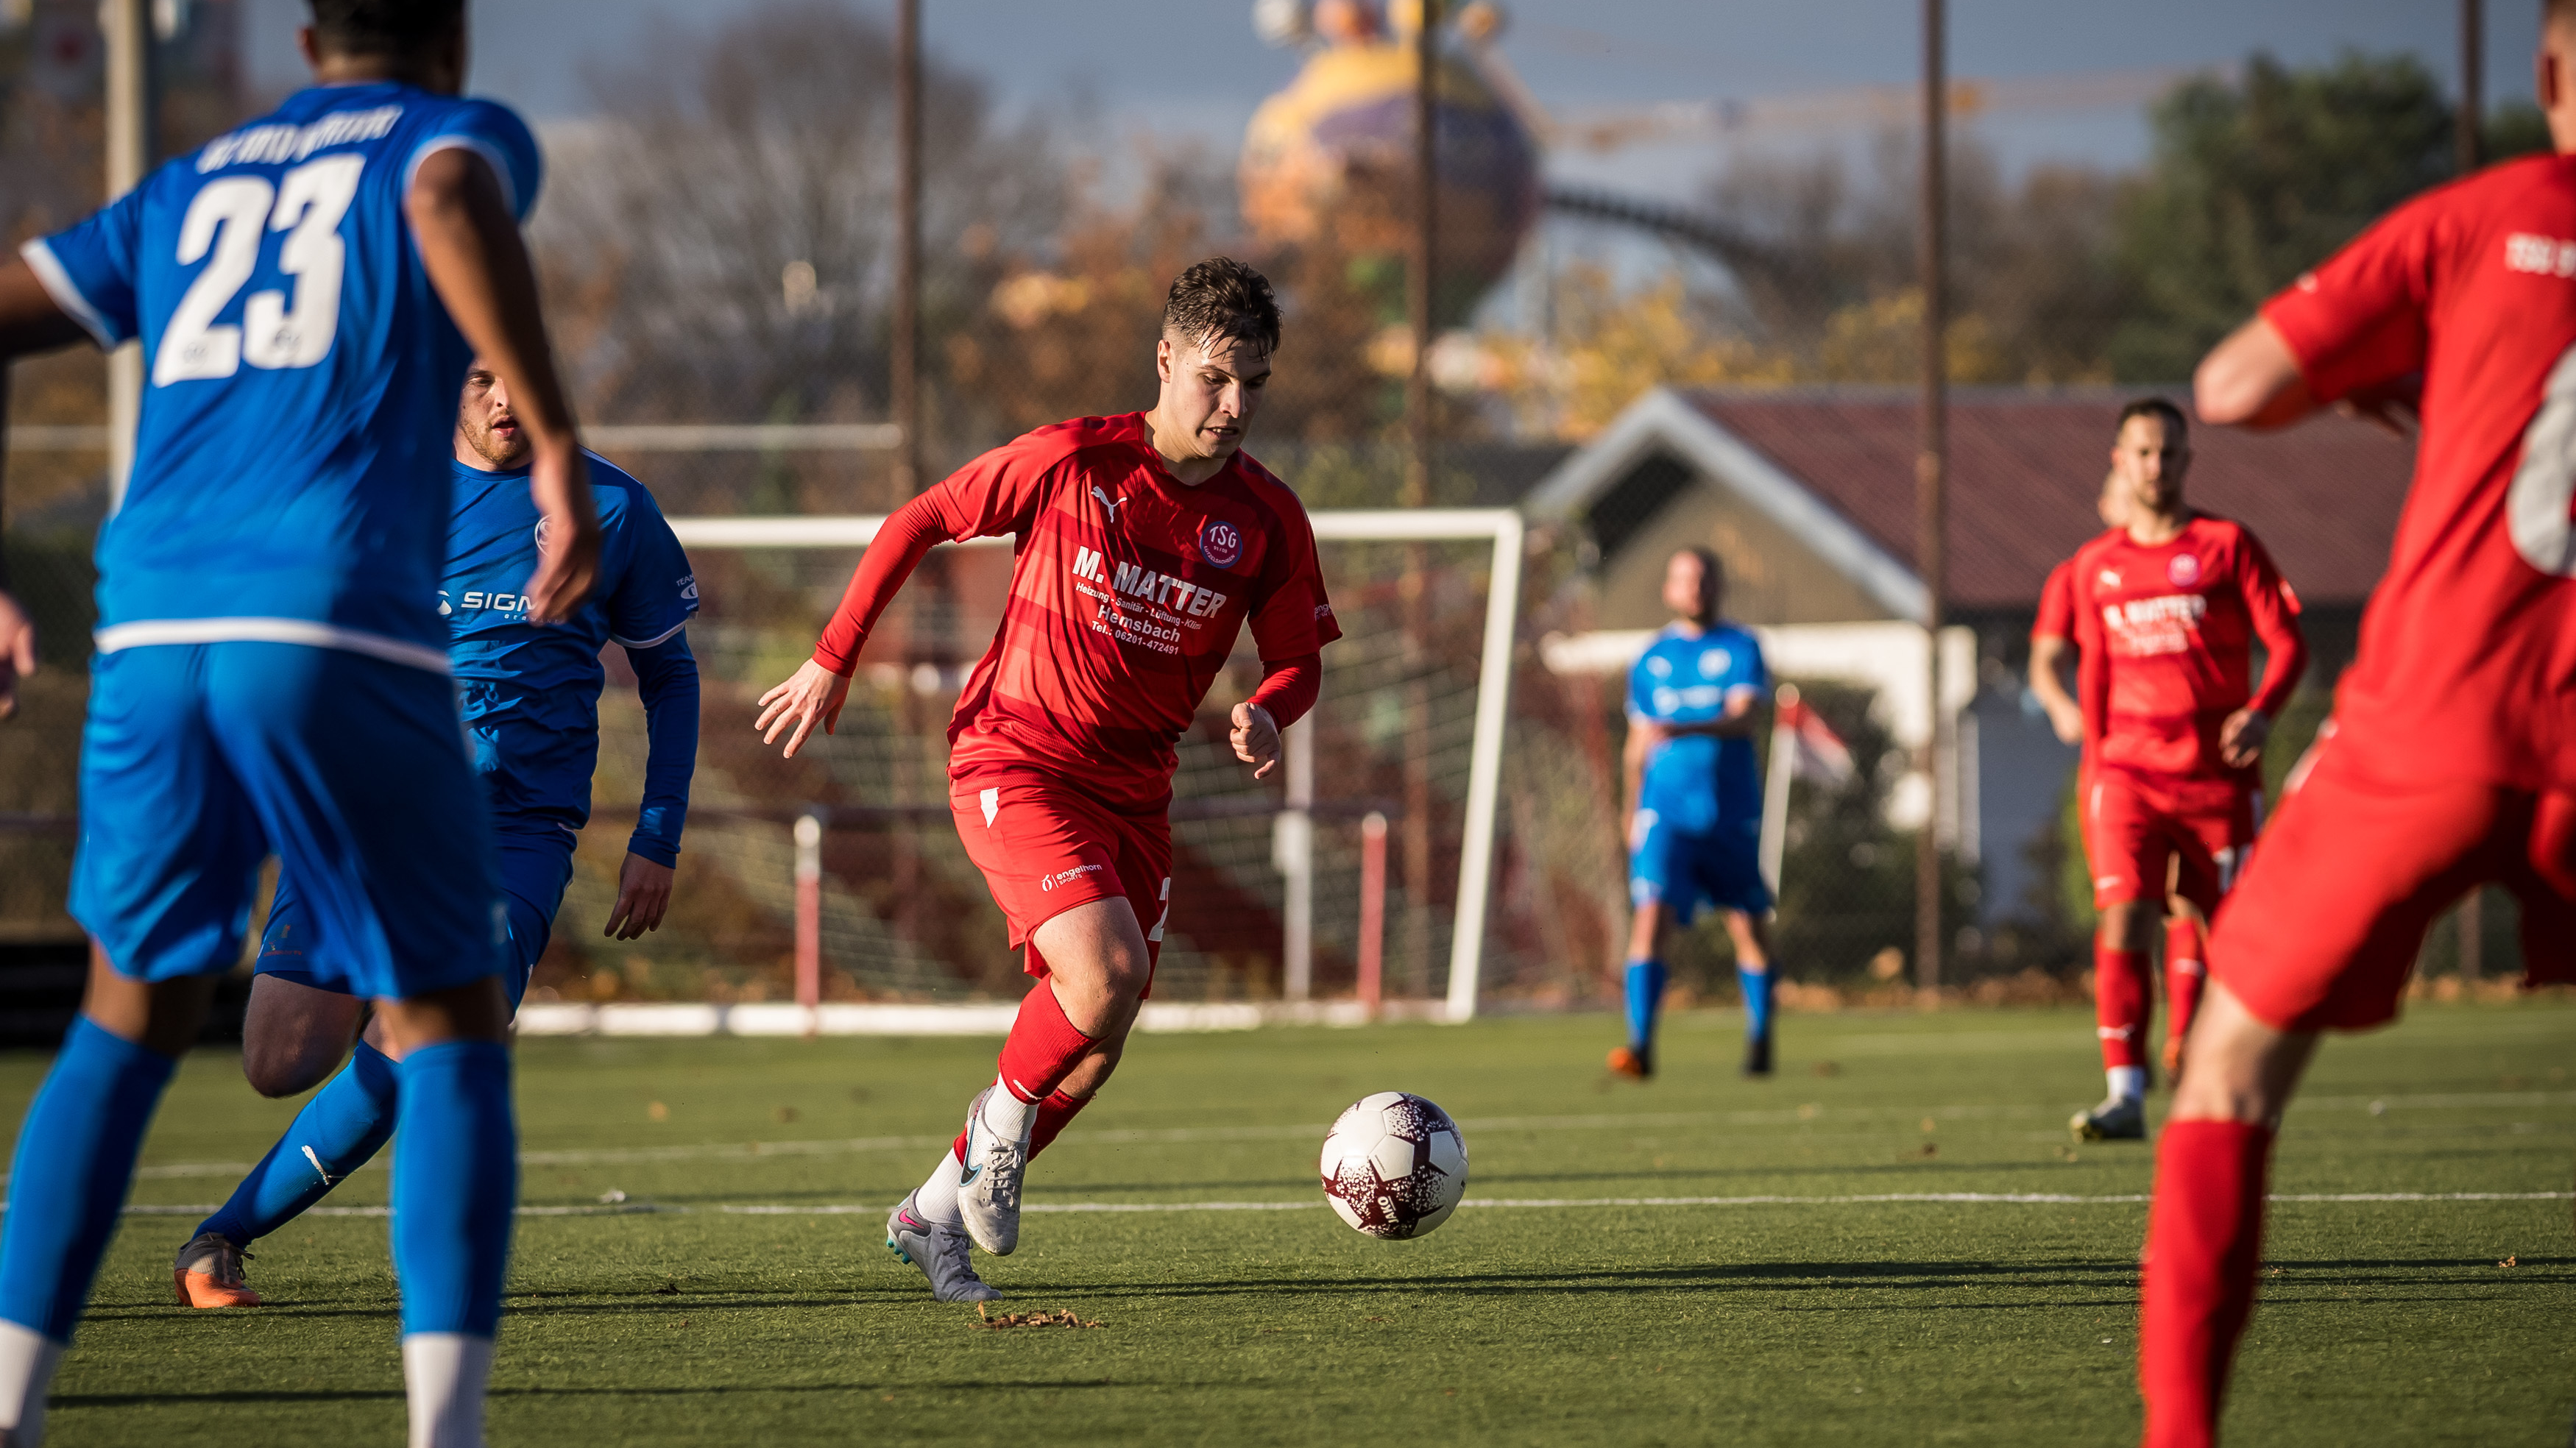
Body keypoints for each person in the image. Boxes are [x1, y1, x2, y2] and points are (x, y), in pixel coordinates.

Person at [0, 1, 594, 1441]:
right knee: (449, 1025)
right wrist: (560, 437)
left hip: (147, 631)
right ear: (449, 35)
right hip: (326, 615)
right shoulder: (449, 135)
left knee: (122, 1023)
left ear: (306, 34)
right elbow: (447, 195)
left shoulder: (196, 179)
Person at [2143, 3, 2576, 1438]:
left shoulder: (2489, 216)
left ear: (2549, 75)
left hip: (2437, 718)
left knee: (2229, 1065)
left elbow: (2231, 386)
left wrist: (2413, 378)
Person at [753, 258, 1339, 1302]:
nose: (1236, 405)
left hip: (1136, 792)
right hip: (1015, 757)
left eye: (1254, 382)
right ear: (1166, 360)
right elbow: (921, 518)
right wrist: (834, 654)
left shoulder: (1269, 520)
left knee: (1099, 1039)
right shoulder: (1076, 459)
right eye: (1215, 378)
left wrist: (1268, 709)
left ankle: (931, 1213)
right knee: (1102, 976)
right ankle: (996, 1128)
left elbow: (1299, 661)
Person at [171, 359, 700, 1308]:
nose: (504, 401)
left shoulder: (612, 509)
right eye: (479, 379)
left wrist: (657, 833)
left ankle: (222, 1240)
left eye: (524, 378)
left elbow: (671, 676)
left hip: (513, 831)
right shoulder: (382, 491)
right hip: (359, 812)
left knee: (430, 1032)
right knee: (277, 1062)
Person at [2052, 401, 2305, 1143]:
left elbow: (2286, 643)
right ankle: (2123, 1093)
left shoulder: (2226, 545)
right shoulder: (2092, 567)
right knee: (2124, 914)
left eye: (2168, 454)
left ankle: (2220, 1074)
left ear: (2186, 461)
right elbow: (2089, 671)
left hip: (2215, 781)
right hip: (2127, 777)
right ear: (2118, 461)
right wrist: (2094, 764)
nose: (2155, 467)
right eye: (2142, 454)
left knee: (2228, 939)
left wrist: (2261, 710)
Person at [2031, 471, 2218, 1085]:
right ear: (2107, 498)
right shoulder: (2080, 571)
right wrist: (2063, 707)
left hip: (2191, 764)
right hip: (2115, 771)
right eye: (2118, 486)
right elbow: (2046, 658)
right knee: (2131, 908)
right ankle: (2126, 1074)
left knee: (2190, 902)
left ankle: (2186, 1037)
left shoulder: (2195, 560)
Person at [1608, 547, 1775, 1080]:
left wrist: (1685, 727)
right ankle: (1639, 1046)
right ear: (1669, 590)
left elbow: (1745, 719)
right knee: (1651, 916)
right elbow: (1638, 744)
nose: (1695, 589)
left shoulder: (1742, 646)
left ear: (1718, 587)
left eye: (1704, 579)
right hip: (1665, 812)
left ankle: (1760, 1037)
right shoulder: (1652, 657)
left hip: (1729, 811)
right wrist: (1630, 808)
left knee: (1747, 925)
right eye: (1685, 580)